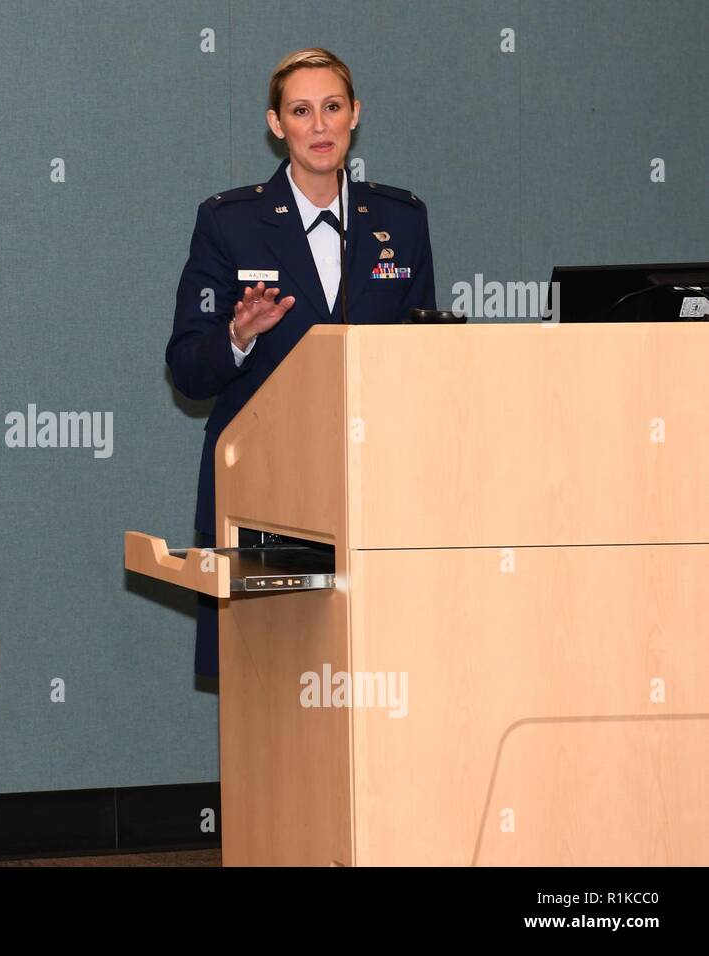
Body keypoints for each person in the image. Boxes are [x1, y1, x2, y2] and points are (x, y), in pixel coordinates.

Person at [166, 47, 435, 677]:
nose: (319, 126)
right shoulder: (229, 223)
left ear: (355, 115)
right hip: (265, 482)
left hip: (375, 483)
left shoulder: (402, 219)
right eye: (301, 111)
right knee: (270, 671)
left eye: (332, 108)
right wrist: (238, 334)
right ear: (275, 123)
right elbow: (187, 367)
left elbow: (422, 356)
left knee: (375, 663)